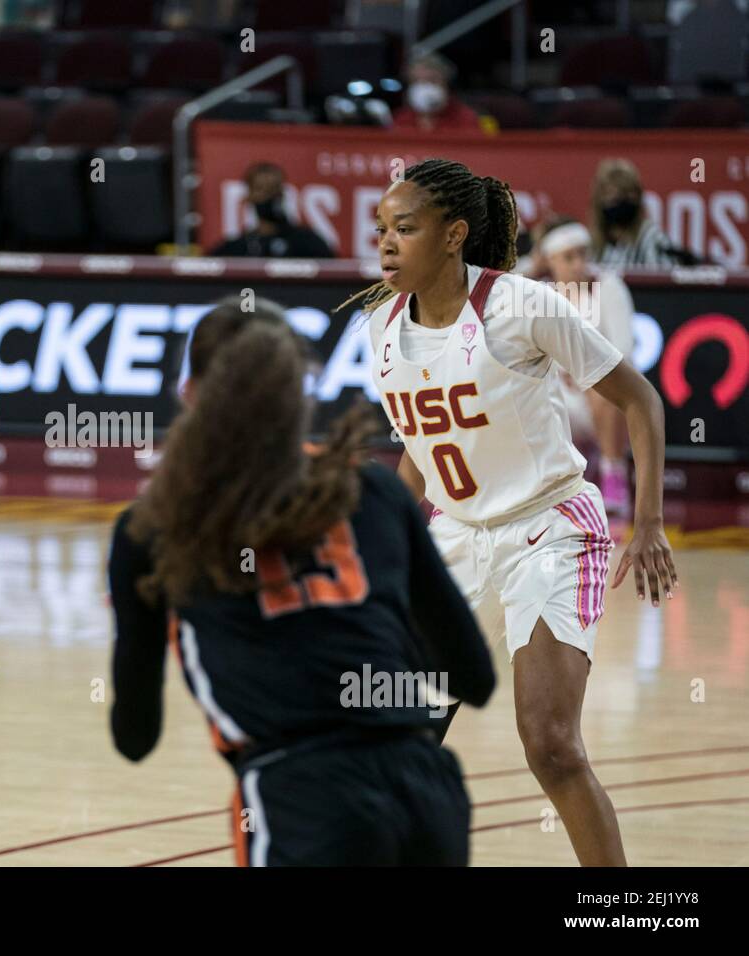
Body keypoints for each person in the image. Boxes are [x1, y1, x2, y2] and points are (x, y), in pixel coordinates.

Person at [354, 157, 679, 866]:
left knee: (551, 746)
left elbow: (640, 398)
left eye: (403, 228)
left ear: (453, 235)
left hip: (550, 528)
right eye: (380, 228)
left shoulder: (519, 306)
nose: (384, 243)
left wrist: (648, 522)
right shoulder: (378, 329)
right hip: (456, 538)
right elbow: (420, 450)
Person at [108, 298, 497, 866]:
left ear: (190, 394)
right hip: (426, 792)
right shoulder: (377, 492)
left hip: (301, 801)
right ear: (300, 393)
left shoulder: (154, 528)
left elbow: (135, 737)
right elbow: (476, 679)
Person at [537, 216, 636, 516]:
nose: (578, 263)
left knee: (604, 383)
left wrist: (582, 372)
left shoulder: (609, 287)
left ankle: (613, 475)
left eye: (583, 254)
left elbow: (623, 352)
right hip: (557, 393)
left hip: (600, 398)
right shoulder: (537, 292)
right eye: (569, 257)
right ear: (551, 260)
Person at [211, 162, 335, 259]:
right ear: (248, 196)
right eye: (260, 189)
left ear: (281, 194)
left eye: (272, 189)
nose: (268, 195)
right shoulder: (234, 249)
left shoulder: (307, 242)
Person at [590, 159, 690, 268]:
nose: (622, 201)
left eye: (628, 195)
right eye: (614, 196)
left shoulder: (651, 239)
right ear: (600, 199)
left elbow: (666, 280)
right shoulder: (593, 244)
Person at [391, 53, 483, 132]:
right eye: (416, 81)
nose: (424, 87)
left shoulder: (467, 118)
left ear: (446, 83)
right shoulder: (401, 120)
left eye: (432, 80)